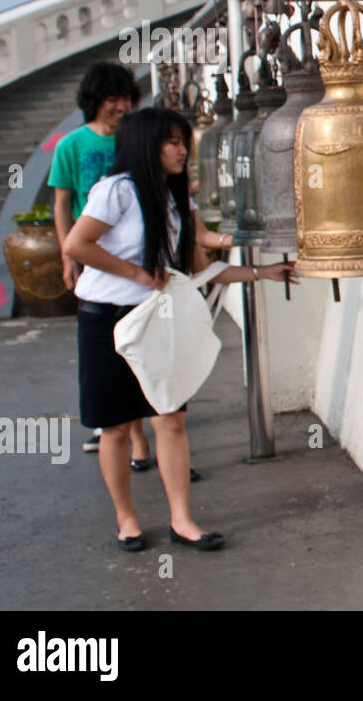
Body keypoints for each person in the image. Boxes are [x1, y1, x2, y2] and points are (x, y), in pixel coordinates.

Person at [63, 108, 296, 551]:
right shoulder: (116, 191)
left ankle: (182, 520)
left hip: (156, 321)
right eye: (171, 141)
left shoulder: (175, 200)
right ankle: (127, 518)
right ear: (146, 146)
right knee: (115, 427)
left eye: (182, 140)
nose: (182, 149)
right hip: (106, 320)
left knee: (170, 419)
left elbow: (198, 269)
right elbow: (77, 244)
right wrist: (135, 273)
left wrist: (264, 274)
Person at [49, 62, 147, 458]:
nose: (120, 106)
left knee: (137, 342)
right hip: (91, 254)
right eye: (112, 99)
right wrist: (66, 254)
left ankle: (136, 435)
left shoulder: (135, 139)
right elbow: (60, 202)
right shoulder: (71, 145)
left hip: (135, 255)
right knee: (103, 348)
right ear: (95, 101)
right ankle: (111, 425)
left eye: (125, 98)